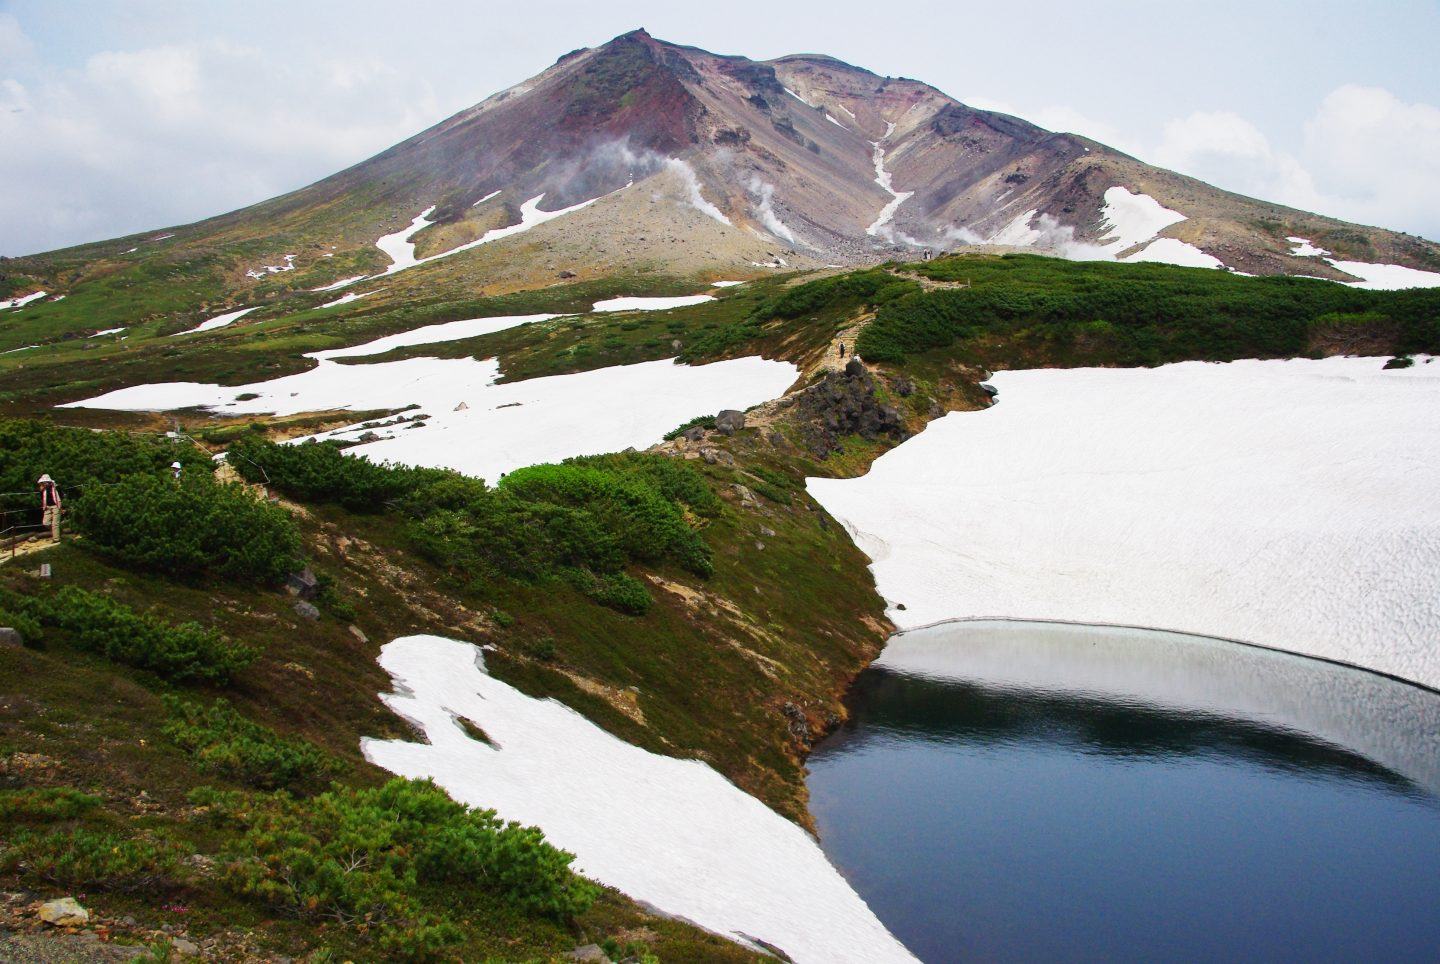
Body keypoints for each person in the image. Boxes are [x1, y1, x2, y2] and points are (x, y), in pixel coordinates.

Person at [36, 474, 61, 542]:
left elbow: (61, 495)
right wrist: (41, 490)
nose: (44, 483)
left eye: (45, 482)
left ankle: (56, 539)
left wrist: (62, 507)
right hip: (47, 507)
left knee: (55, 524)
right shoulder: (43, 489)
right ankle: (57, 532)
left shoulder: (56, 487)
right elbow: (42, 498)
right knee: (46, 523)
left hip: (56, 506)